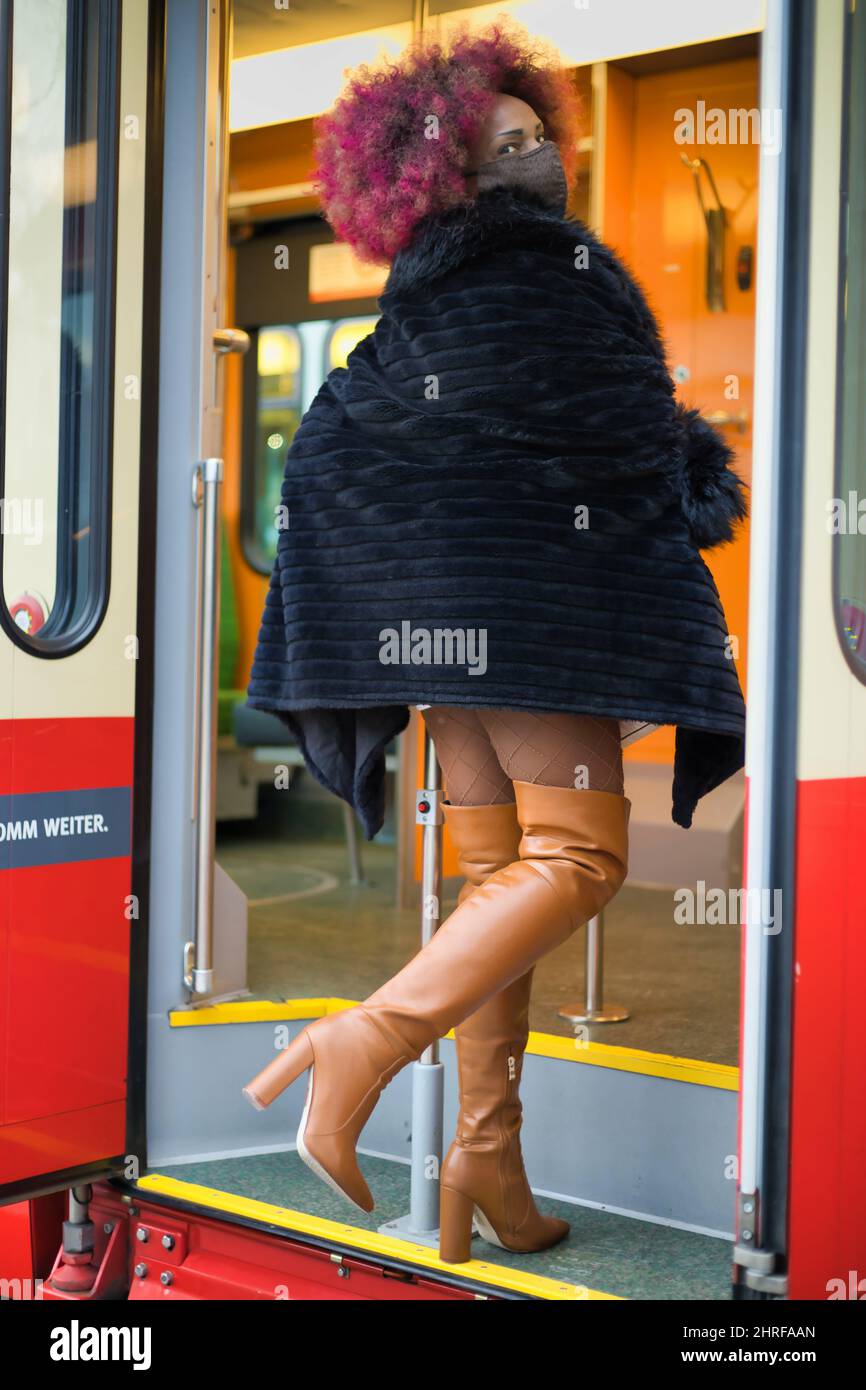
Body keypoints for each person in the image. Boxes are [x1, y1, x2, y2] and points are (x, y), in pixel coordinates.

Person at [243, 23, 748, 1265]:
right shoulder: (548, 277)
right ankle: (367, 1039)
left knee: (495, 875)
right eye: (501, 146)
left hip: (433, 624)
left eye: (536, 137)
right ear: (449, 179)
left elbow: (343, 438)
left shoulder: (423, 295)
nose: (534, 161)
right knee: (576, 858)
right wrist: (682, 475)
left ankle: (484, 1153)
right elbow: (614, 445)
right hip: (531, 613)